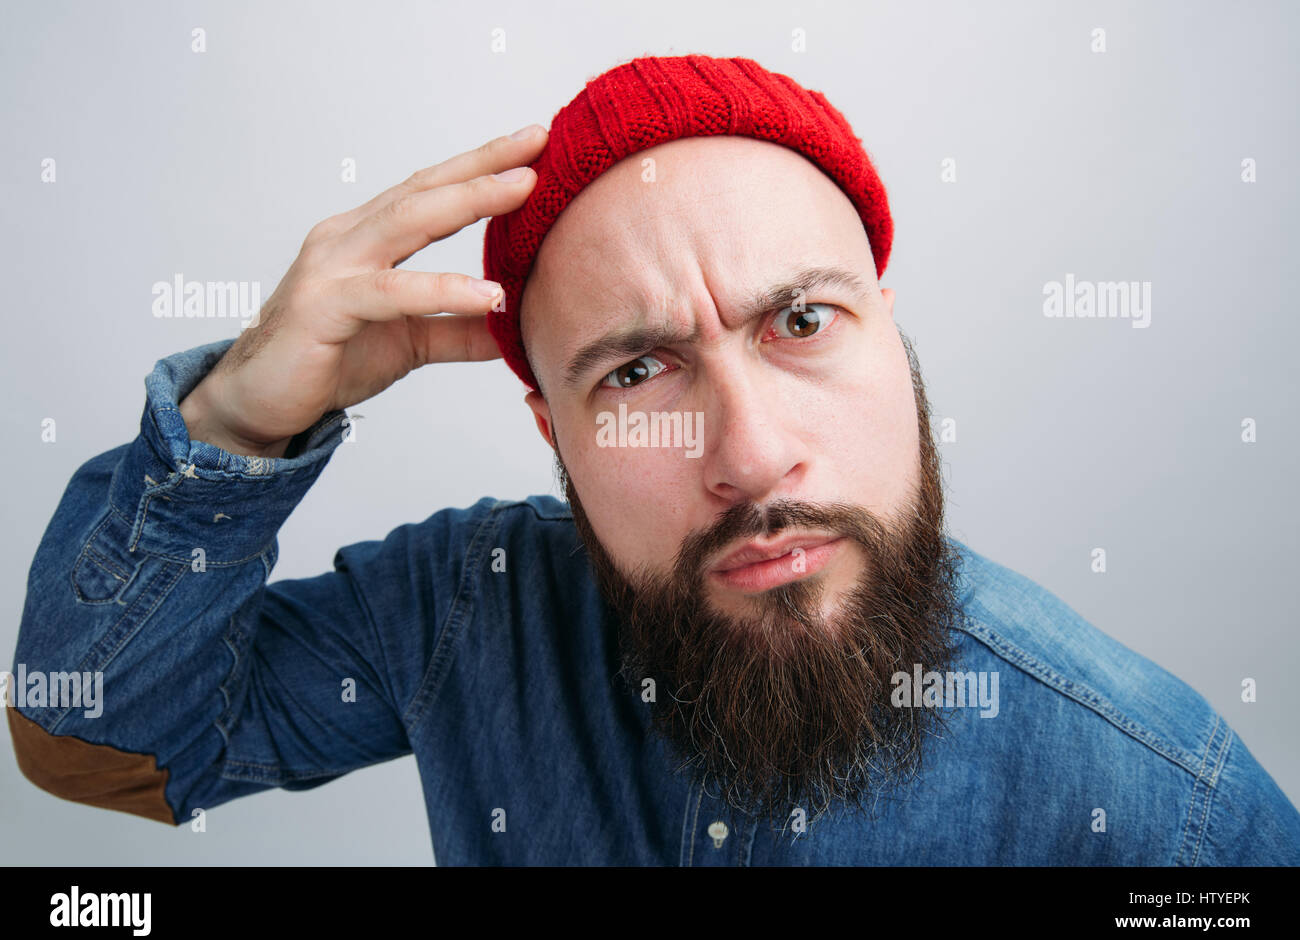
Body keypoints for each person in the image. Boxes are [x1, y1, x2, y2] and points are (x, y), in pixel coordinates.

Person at [7, 54, 1299, 865]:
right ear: (553, 433)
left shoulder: (1165, 809)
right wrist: (237, 425)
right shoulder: (470, 609)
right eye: (635, 372)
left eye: (803, 322)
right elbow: (100, 743)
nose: (752, 458)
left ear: (891, 337)